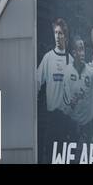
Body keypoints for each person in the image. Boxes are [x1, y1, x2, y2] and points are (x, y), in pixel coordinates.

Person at [35, 17, 75, 161]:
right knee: (51, 156)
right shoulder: (48, 58)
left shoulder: (71, 61)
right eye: (55, 33)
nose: (57, 36)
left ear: (65, 35)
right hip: (51, 118)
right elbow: (36, 83)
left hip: (66, 119)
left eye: (60, 33)